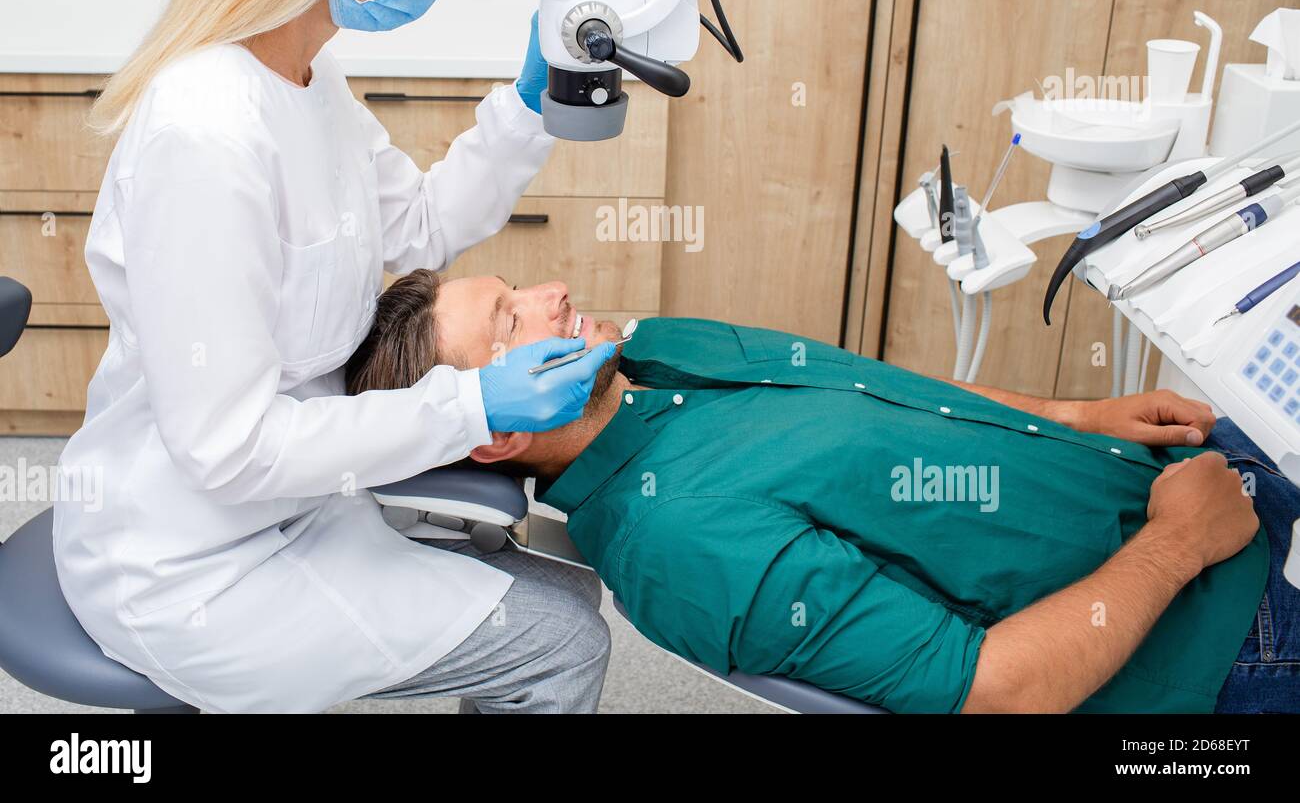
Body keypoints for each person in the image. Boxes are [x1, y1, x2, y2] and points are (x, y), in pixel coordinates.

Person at [53, 0, 615, 714]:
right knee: (560, 639)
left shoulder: (309, 81)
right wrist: (471, 405)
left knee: (564, 586)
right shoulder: (207, 130)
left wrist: (528, 104)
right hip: (190, 563)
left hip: (299, 502)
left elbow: (429, 223)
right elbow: (228, 451)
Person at [347, 270, 1300, 714]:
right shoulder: (680, 544)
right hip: (1217, 634)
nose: (552, 291)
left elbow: (883, 395)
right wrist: (1179, 543)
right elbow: (996, 693)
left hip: (1168, 476)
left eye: (516, 283)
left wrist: (1078, 415)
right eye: (511, 319)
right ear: (498, 431)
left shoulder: (650, 349)